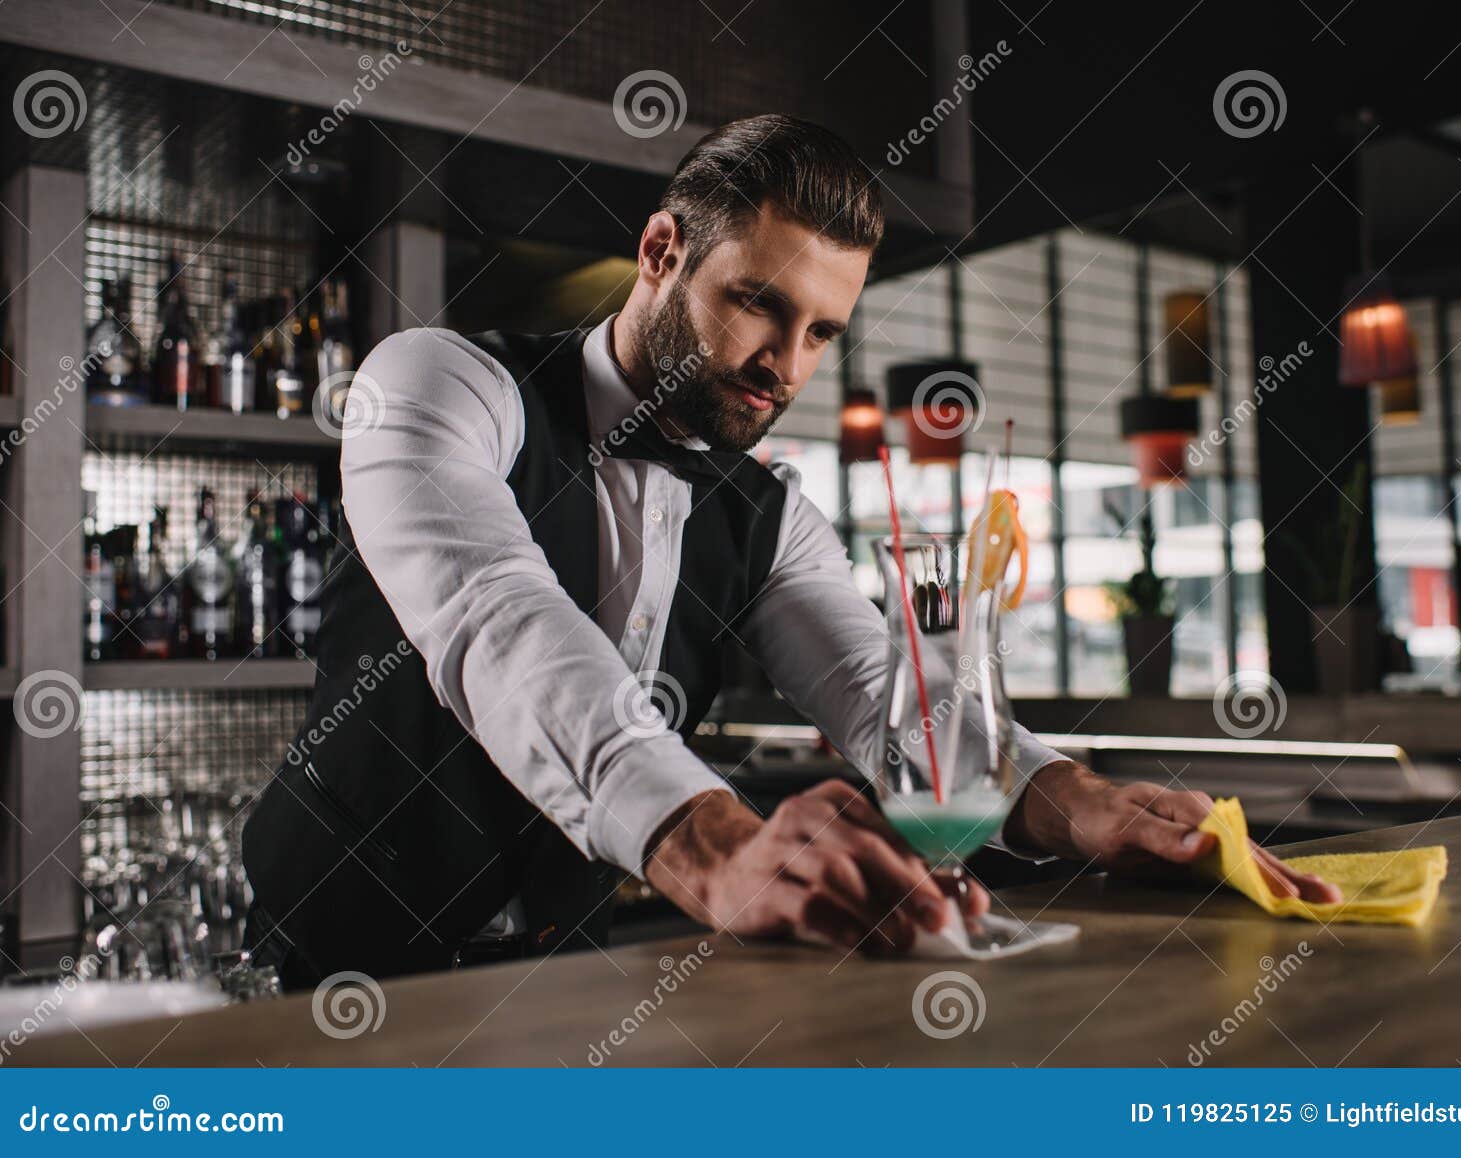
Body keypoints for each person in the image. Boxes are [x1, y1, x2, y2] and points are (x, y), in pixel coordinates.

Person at [240, 115, 1337, 988]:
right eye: (758, 306)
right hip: (347, 973)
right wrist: (711, 842)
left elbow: (880, 691)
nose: (786, 365)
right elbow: (499, 615)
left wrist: (1069, 798)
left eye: (821, 332)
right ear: (662, 252)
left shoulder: (770, 512)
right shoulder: (436, 384)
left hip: (558, 981)